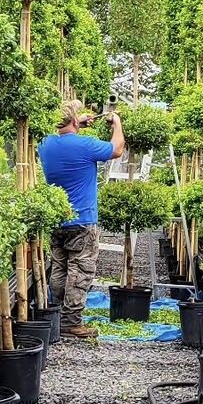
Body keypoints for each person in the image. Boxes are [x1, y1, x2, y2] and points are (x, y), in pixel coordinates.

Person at [37, 99, 126, 340]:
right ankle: (71, 322)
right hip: (82, 221)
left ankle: (56, 315)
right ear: (75, 120)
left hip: (57, 219)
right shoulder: (85, 145)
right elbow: (117, 149)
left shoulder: (45, 144)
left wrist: (76, 123)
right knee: (80, 271)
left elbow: (63, 136)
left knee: (59, 268)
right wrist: (116, 123)